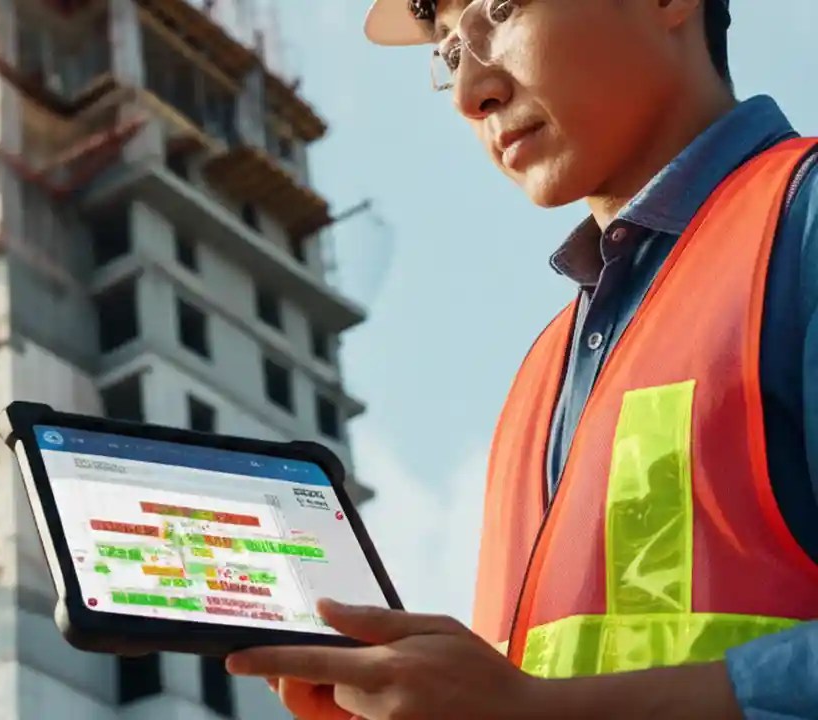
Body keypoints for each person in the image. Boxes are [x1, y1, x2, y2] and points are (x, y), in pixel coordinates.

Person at [223, 1, 818, 718]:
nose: (474, 91)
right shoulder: (542, 376)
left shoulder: (801, 222)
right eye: (446, 53)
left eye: (499, 10)